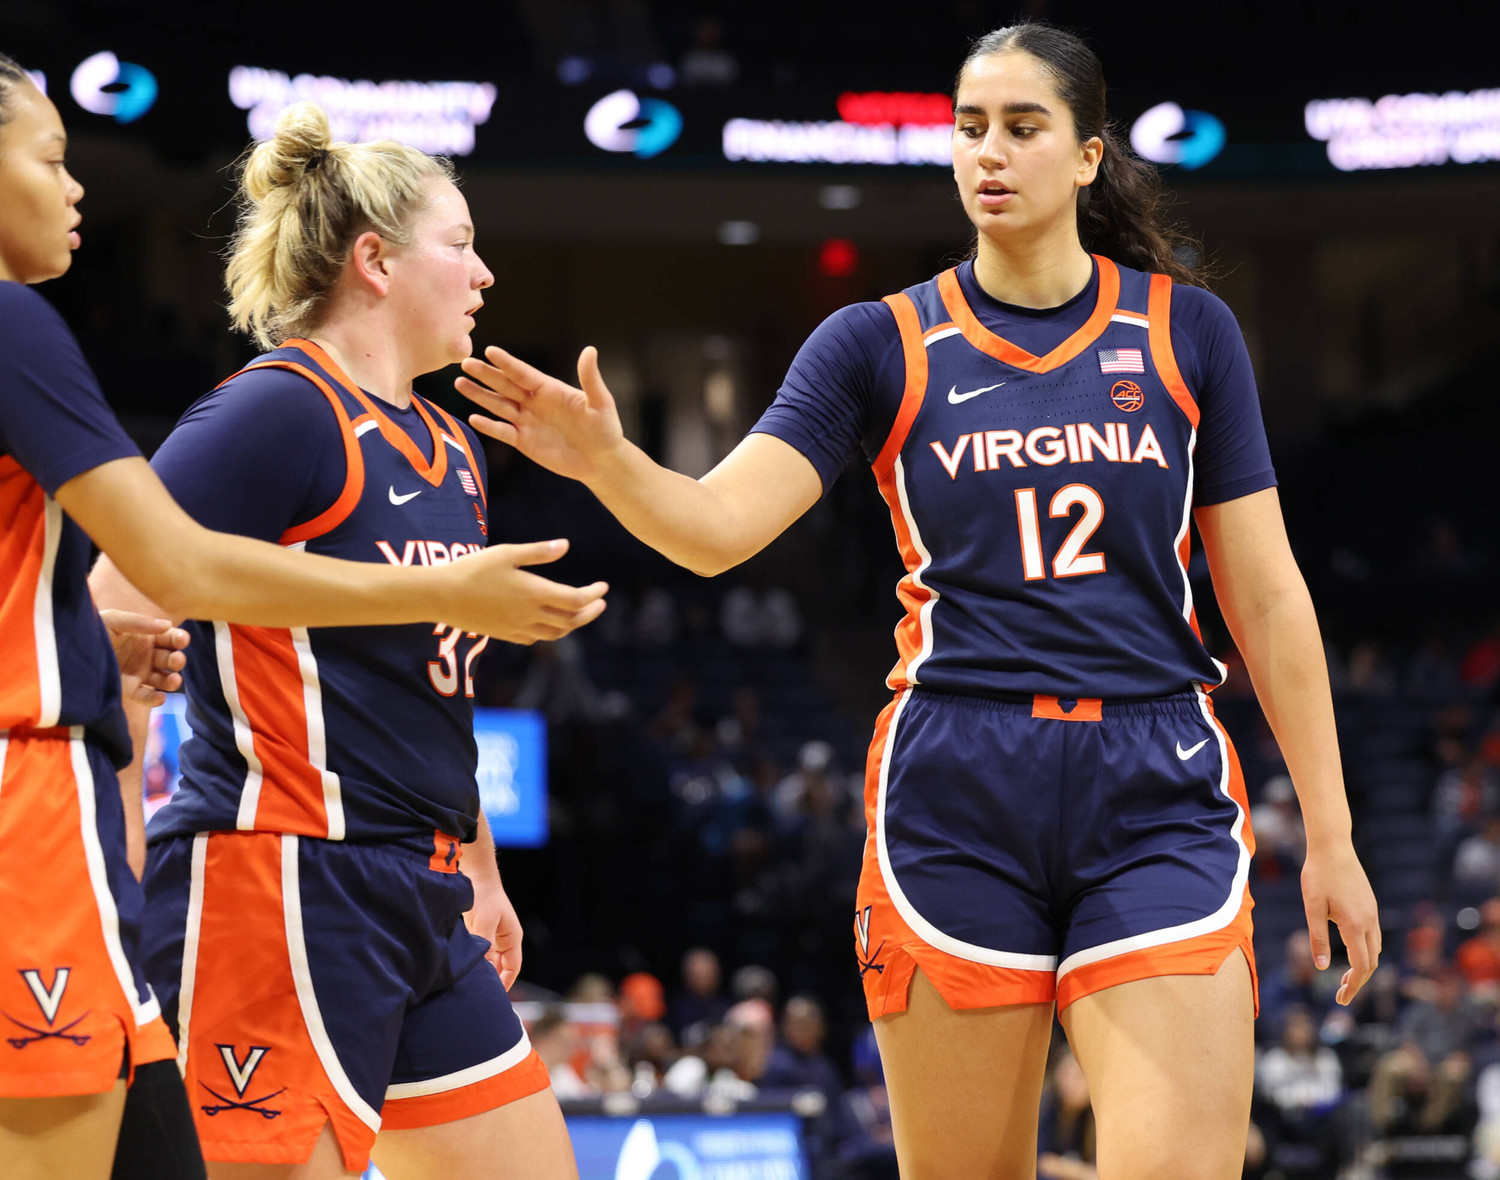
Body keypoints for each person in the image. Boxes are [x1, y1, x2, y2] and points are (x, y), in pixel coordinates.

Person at [454, 19, 1382, 1177]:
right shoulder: (876, 343)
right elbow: (713, 530)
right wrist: (608, 463)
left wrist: (1333, 834)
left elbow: (1270, 594)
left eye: (1023, 127)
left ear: (1089, 155)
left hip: (1156, 781)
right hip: (957, 782)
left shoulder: (1189, 332)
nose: (989, 152)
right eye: (970, 127)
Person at [0, 61, 602, 1180]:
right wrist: (118, 853)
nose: (484, 270)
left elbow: (436, 680)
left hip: (418, 883)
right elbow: (117, 611)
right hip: (280, 877)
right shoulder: (275, 409)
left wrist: (478, 861)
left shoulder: (449, 445)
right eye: (459, 242)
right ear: (375, 261)